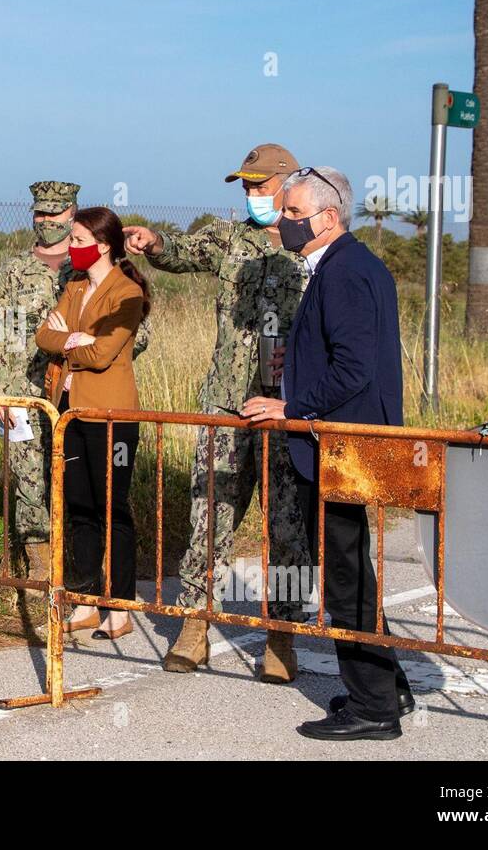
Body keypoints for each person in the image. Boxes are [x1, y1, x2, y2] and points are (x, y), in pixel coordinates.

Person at [124, 144, 314, 682]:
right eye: (246, 187)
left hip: (287, 408)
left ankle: (283, 635)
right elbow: (181, 251)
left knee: (288, 526)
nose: (252, 195)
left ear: (287, 182)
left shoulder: (315, 251)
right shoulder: (233, 239)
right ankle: (194, 625)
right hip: (226, 404)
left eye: (260, 185)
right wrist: (153, 242)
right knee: (210, 515)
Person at [241, 165, 415, 741]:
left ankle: (372, 709)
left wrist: (292, 408)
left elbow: (353, 369)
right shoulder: (349, 266)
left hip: (346, 445)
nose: (283, 223)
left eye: (293, 214)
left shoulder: (344, 272)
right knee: (353, 567)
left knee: (346, 577)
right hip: (346, 442)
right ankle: (386, 685)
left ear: (328, 216)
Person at [0, 182, 148, 582]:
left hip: (76, 393)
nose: (47, 221)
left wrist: (89, 357)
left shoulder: (90, 274)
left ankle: (88, 571)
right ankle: (41, 571)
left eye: (56, 215)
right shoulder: (13, 271)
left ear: (72, 214)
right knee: (29, 477)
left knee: (82, 486)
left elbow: (132, 338)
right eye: (40, 213)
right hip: (22, 392)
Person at [36, 206, 150, 640]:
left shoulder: (126, 293)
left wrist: (71, 342)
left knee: (112, 509)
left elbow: (104, 355)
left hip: (111, 415)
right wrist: (72, 339)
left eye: (80, 241)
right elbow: (43, 335)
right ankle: (84, 600)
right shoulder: (75, 285)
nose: (72, 248)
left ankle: (118, 608)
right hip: (70, 410)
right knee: (78, 506)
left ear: (103, 245)